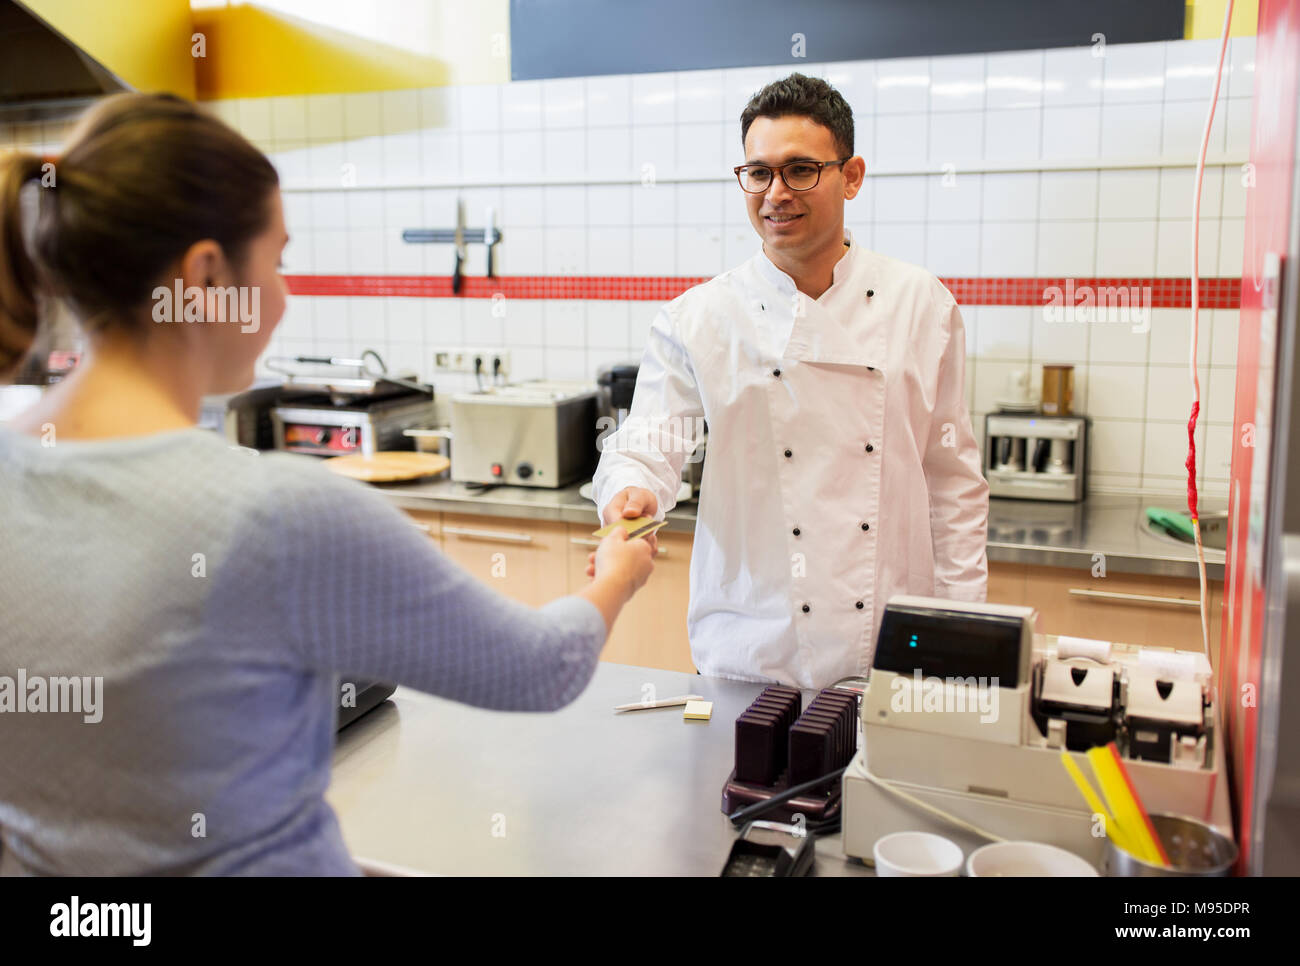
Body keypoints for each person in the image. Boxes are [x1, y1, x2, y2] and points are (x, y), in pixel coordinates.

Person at [0, 92, 654, 875]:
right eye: (278, 260)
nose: (285, 292)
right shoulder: (277, 516)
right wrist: (616, 576)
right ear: (206, 275)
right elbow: (540, 667)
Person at [593, 73, 988, 688]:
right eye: (758, 172)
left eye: (801, 169)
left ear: (851, 176)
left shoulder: (923, 305)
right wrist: (631, 489)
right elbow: (647, 443)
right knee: (736, 786)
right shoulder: (699, 317)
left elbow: (954, 483)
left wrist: (961, 632)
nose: (776, 193)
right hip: (750, 646)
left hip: (888, 647)